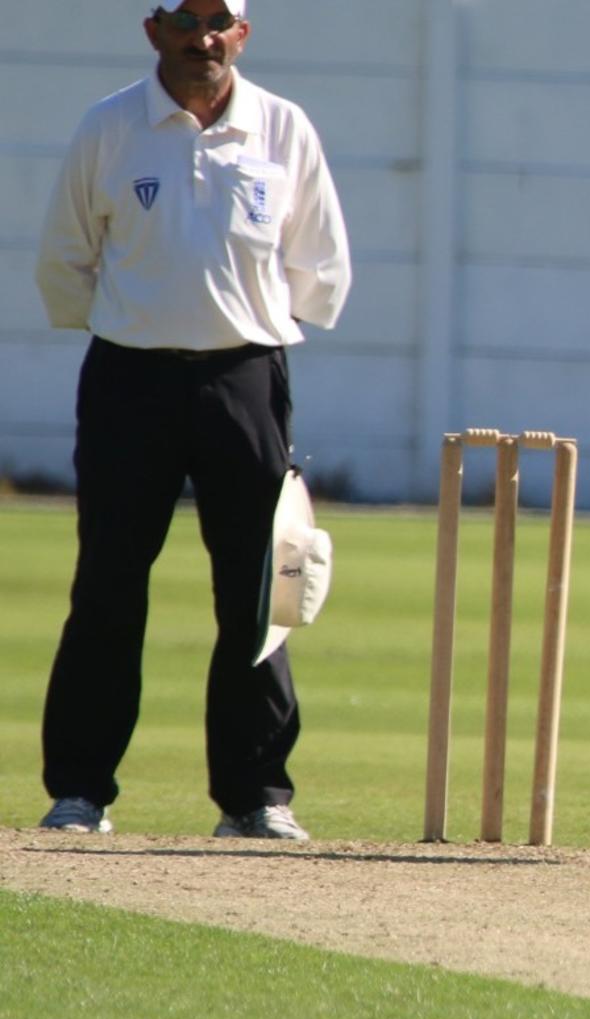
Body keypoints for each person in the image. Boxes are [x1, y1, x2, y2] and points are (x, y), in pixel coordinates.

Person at [33, 0, 351, 839]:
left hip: (245, 375)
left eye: (219, 21)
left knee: (258, 589)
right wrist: (136, 321)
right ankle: (79, 792)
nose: (202, 37)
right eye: (184, 19)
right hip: (129, 378)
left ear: (242, 34)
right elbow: (64, 258)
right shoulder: (111, 127)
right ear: (153, 30)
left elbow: (320, 266)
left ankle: (255, 799)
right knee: (107, 583)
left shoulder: (282, 128)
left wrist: (251, 328)